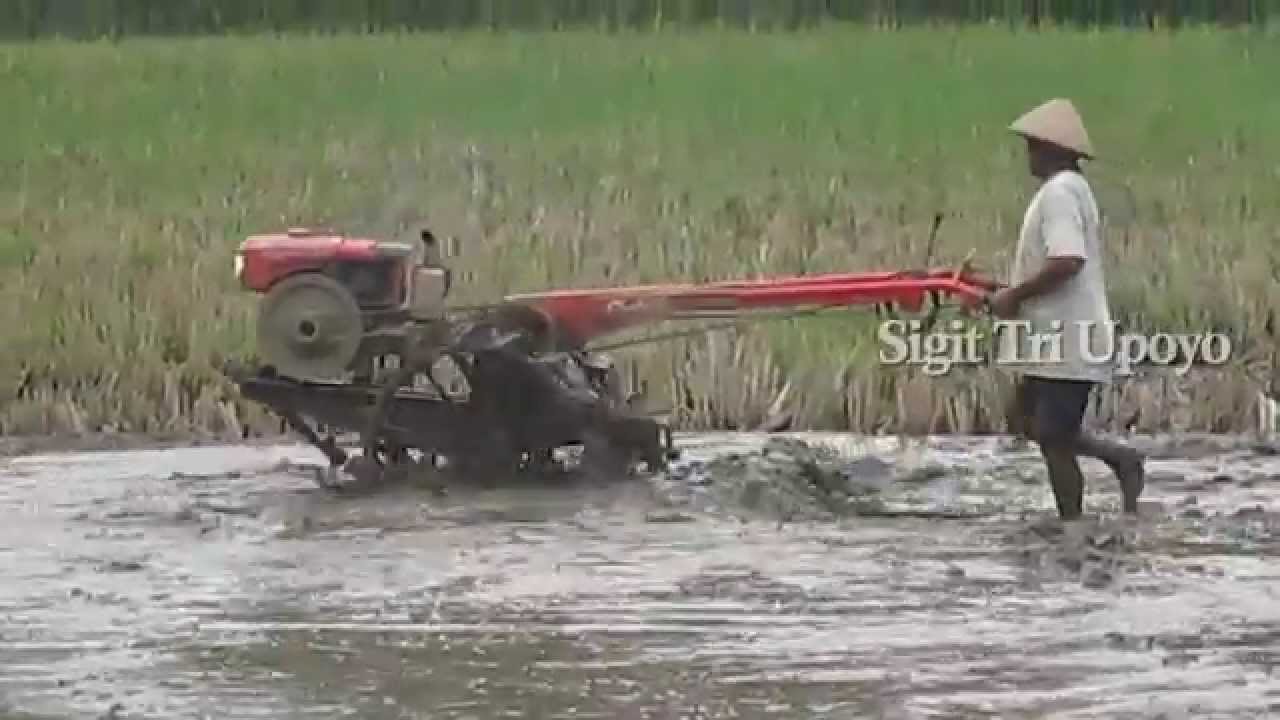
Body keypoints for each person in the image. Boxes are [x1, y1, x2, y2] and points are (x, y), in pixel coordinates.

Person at [988, 98, 1146, 521]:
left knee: (1052, 434)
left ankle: (1078, 518)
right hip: (1053, 335)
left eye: (1033, 147)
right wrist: (1002, 289)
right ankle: (1110, 471)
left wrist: (1014, 296)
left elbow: (1067, 261)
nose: (1029, 156)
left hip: (1068, 337)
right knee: (1027, 420)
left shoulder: (1058, 193)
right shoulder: (1071, 190)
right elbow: (1055, 261)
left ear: (1054, 149)